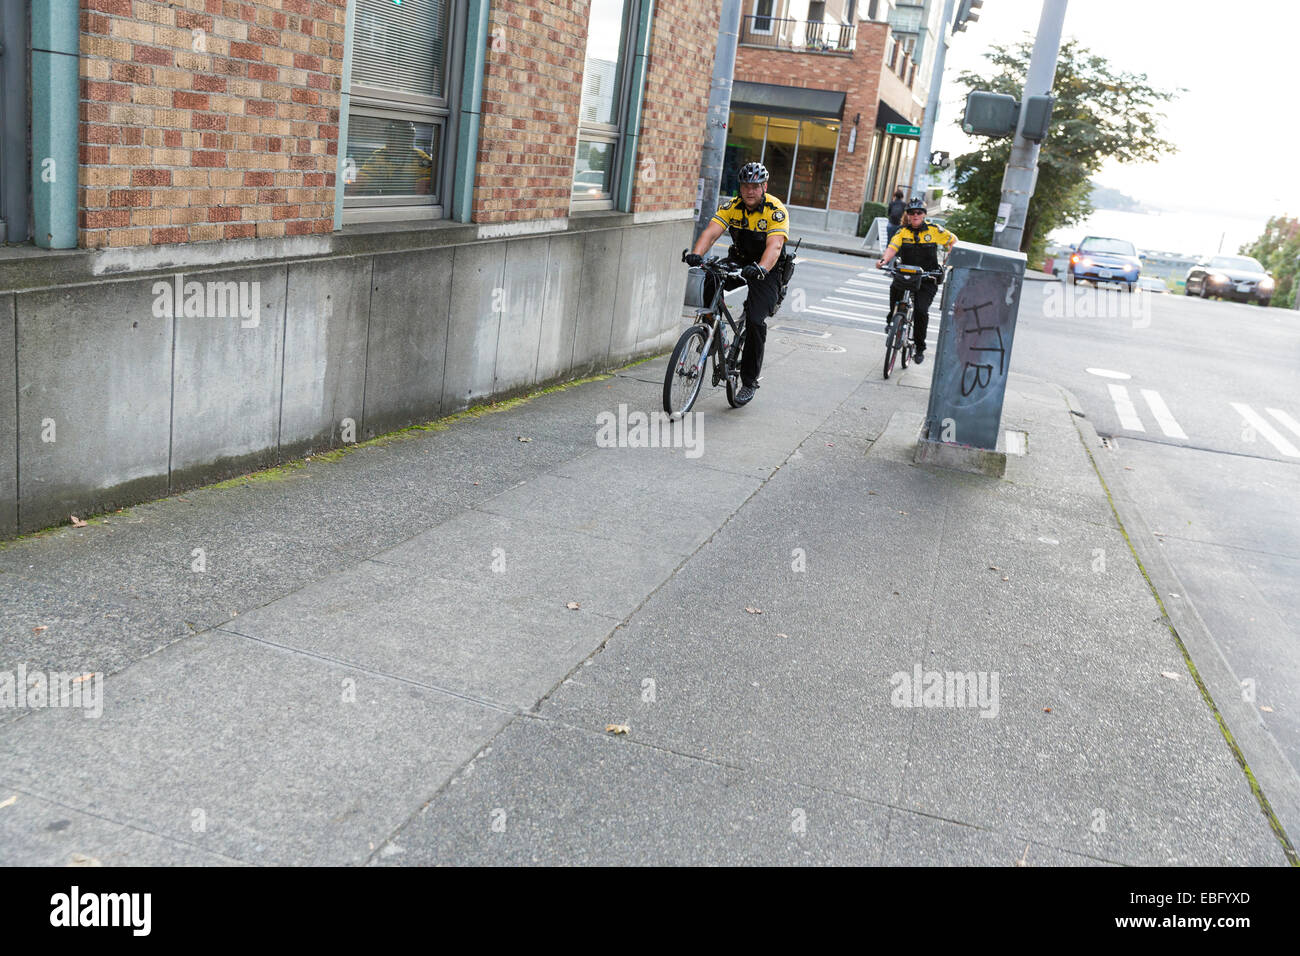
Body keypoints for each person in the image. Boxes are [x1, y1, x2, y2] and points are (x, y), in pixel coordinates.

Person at [681, 161, 790, 403]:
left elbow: (775, 246)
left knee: (754, 320)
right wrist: (696, 254)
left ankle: (750, 381)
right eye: (745, 186)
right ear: (740, 188)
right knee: (711, 276)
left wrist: (761, 268)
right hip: (740, 259)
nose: (749, 191)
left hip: (767, 269)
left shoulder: (775, 209)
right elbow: (711, 232)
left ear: (764, 187)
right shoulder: (732, 206)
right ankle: (713, 329)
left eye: (755, 186)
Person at [875, 197, 956, 365]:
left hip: (927, 278)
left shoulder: (934, 230)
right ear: (908, 215)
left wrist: (949, 260)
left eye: (918, 212)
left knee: (920, 311)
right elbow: (892, 248)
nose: (915, 215)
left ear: (924, 214)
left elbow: (953, 241)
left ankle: (919, 347)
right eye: (911, 213)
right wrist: (883, 260)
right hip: (906, 275)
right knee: (894, 289)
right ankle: (892, 319)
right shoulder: (902, 232)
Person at [347, 120, 433, 196]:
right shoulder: (379, 155)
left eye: (395, 137)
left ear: (408, 139)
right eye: (389, 136)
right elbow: (360, 180)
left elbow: (422, 189)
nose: (389, 141)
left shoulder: (420, 159)